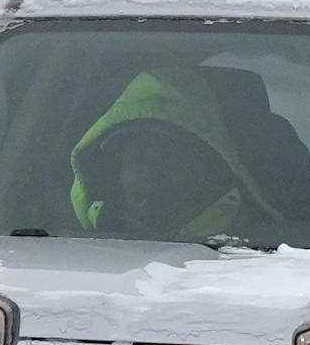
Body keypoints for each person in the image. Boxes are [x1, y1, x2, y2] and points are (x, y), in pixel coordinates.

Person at [69, 73, 267, 242]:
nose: (149, 173)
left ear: (209, 167)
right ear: (116, 171)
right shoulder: (65, 239)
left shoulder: (266, 254)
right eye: (136, 158)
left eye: (168, 157)